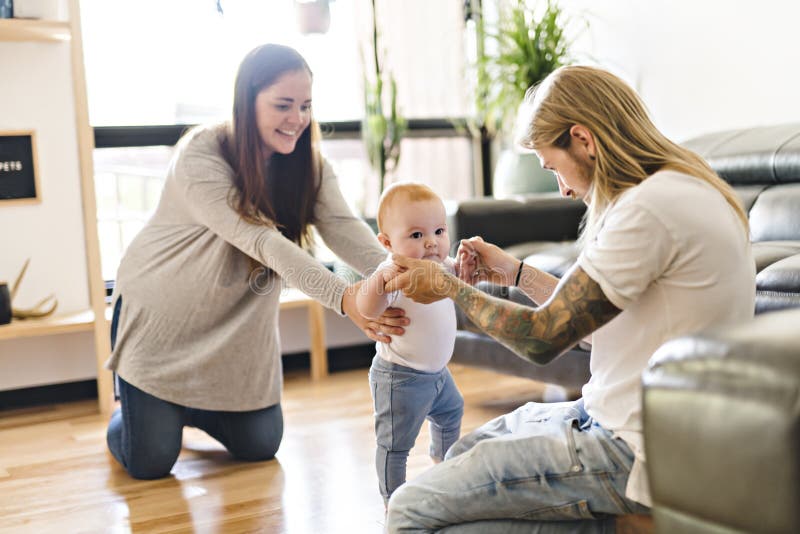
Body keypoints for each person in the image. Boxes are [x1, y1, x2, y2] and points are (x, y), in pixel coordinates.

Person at [384, 65, 755, 532]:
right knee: (462, 455)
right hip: (619, 420)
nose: (562, 188)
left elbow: (544, 339)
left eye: (553, 167)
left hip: (635, 448)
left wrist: (449, 287)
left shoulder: (648, 209)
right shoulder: (673, 187)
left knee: (408, 508)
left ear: (583, 139)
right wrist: (512, 272)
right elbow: (589, 322)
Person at [105, 43, 408, 480]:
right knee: (150, 461)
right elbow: (261, 240)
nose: (297, 119)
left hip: (236, 334)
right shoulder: (202, 154)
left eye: (305, 106)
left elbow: (341, 227)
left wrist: (400, 274)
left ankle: (183, 408)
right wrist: (347, 300)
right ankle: (137, 408)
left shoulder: (308, 164)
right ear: (246, 104)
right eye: (282, 105)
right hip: (163, 324)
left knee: (260, 446)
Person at [356, 183, 464, 506]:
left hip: (438, 375)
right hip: (400, 379)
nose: (432, 242)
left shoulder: (443, 266)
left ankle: (442, 466)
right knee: (395, 446)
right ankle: (394, 503)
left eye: (439, 231)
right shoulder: (394, 273)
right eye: (417, 235)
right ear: (388, 243)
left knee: (452, 412)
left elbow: (462, 283)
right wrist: (379, 282)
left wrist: (466, 266)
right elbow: (367, 309)